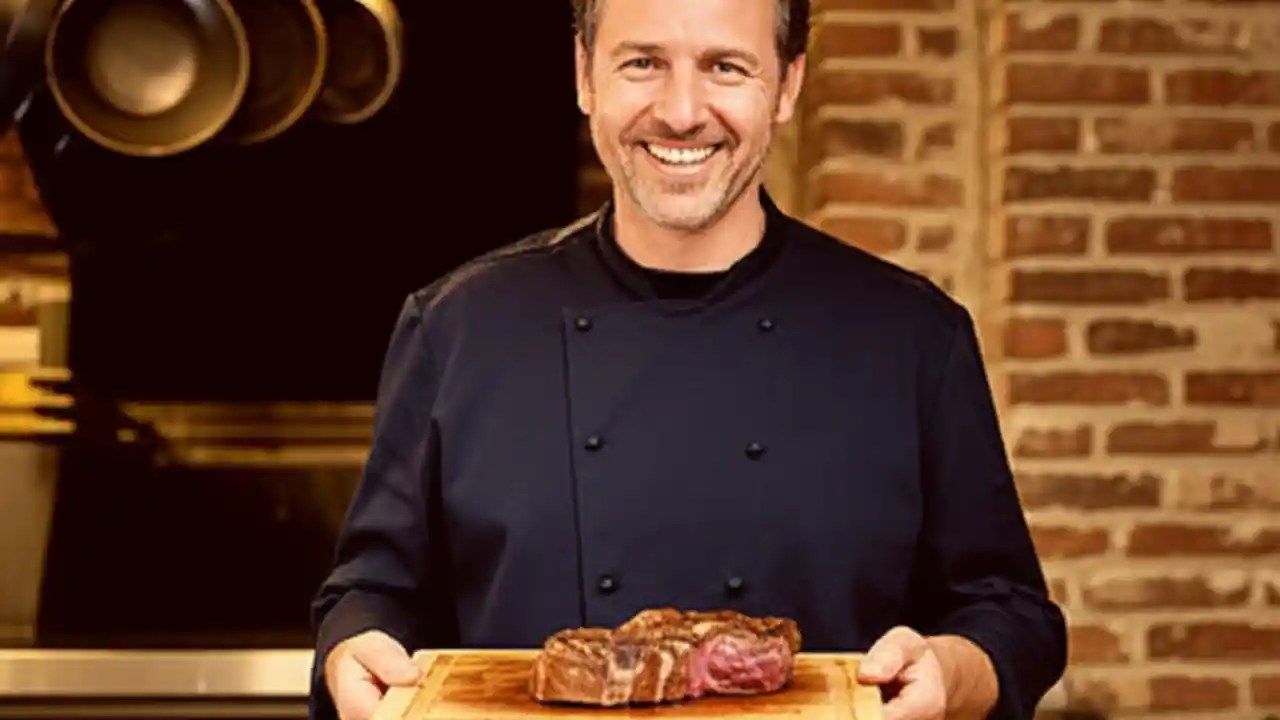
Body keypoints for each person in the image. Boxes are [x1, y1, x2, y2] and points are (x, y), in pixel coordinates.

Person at [308, 0, 1068, 718]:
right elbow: (375, 591)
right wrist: (354, 647)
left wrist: (953, 671)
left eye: (725, 67)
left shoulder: (912, 336)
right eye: (642, 62)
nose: (680, 110)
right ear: (583, 75)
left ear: (787, 85)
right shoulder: (456, 326)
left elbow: (1011, 612)